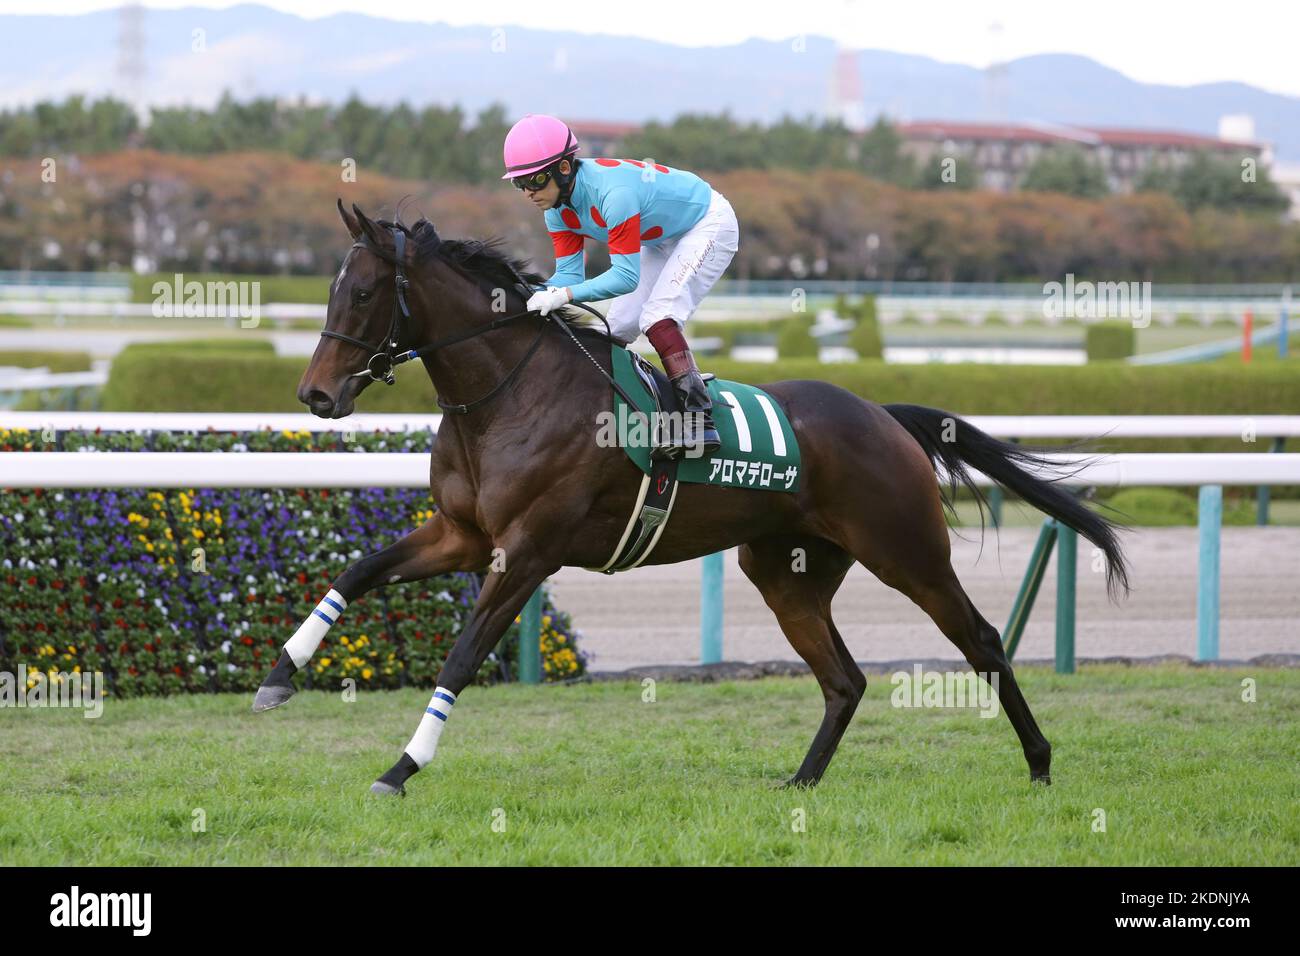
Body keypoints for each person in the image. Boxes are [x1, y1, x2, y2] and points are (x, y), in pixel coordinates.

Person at [503, 113, 739, 459]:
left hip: (708, 223)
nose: (528, 192)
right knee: (613, 328)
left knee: (658, 316)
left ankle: (698, 419)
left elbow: (624, 278)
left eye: (535, 180)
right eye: (519, 183)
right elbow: (569, 276)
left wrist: (563, 296)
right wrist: (530, 296)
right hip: (661, 239)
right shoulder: (556, 210)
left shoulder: (614, 194)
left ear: (564, 169)